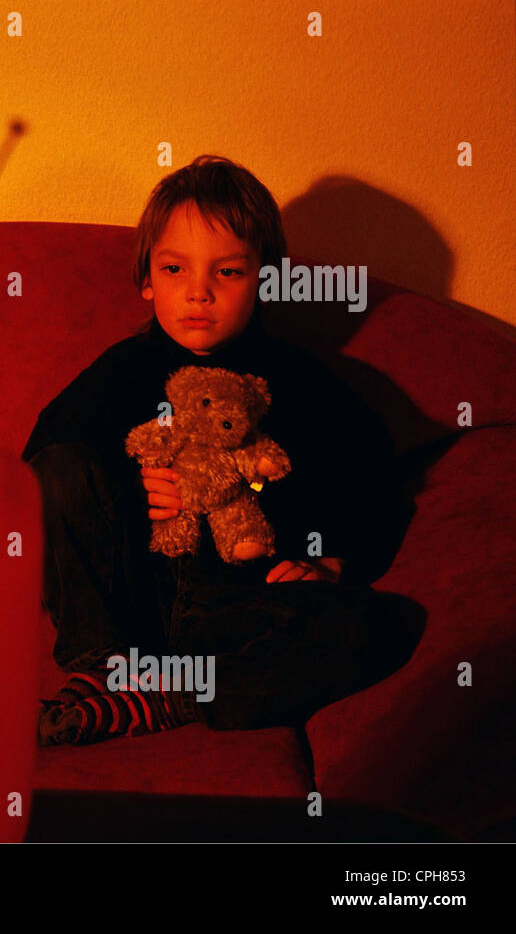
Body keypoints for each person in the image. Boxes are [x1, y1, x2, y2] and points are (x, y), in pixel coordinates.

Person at [25, 156, 419, 746]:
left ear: (265, 280)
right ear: (147, 280)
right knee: (58, 467)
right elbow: (39, 471)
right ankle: (104, 667)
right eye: (176, 268)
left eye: (228, 273)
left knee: (383, 624)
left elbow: (376, 486)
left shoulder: (304, 383)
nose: (198, 293)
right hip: (129, 605)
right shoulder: (121, 371)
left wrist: (335, 562)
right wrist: (134, 495)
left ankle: (173, 695)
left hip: (234, 611)